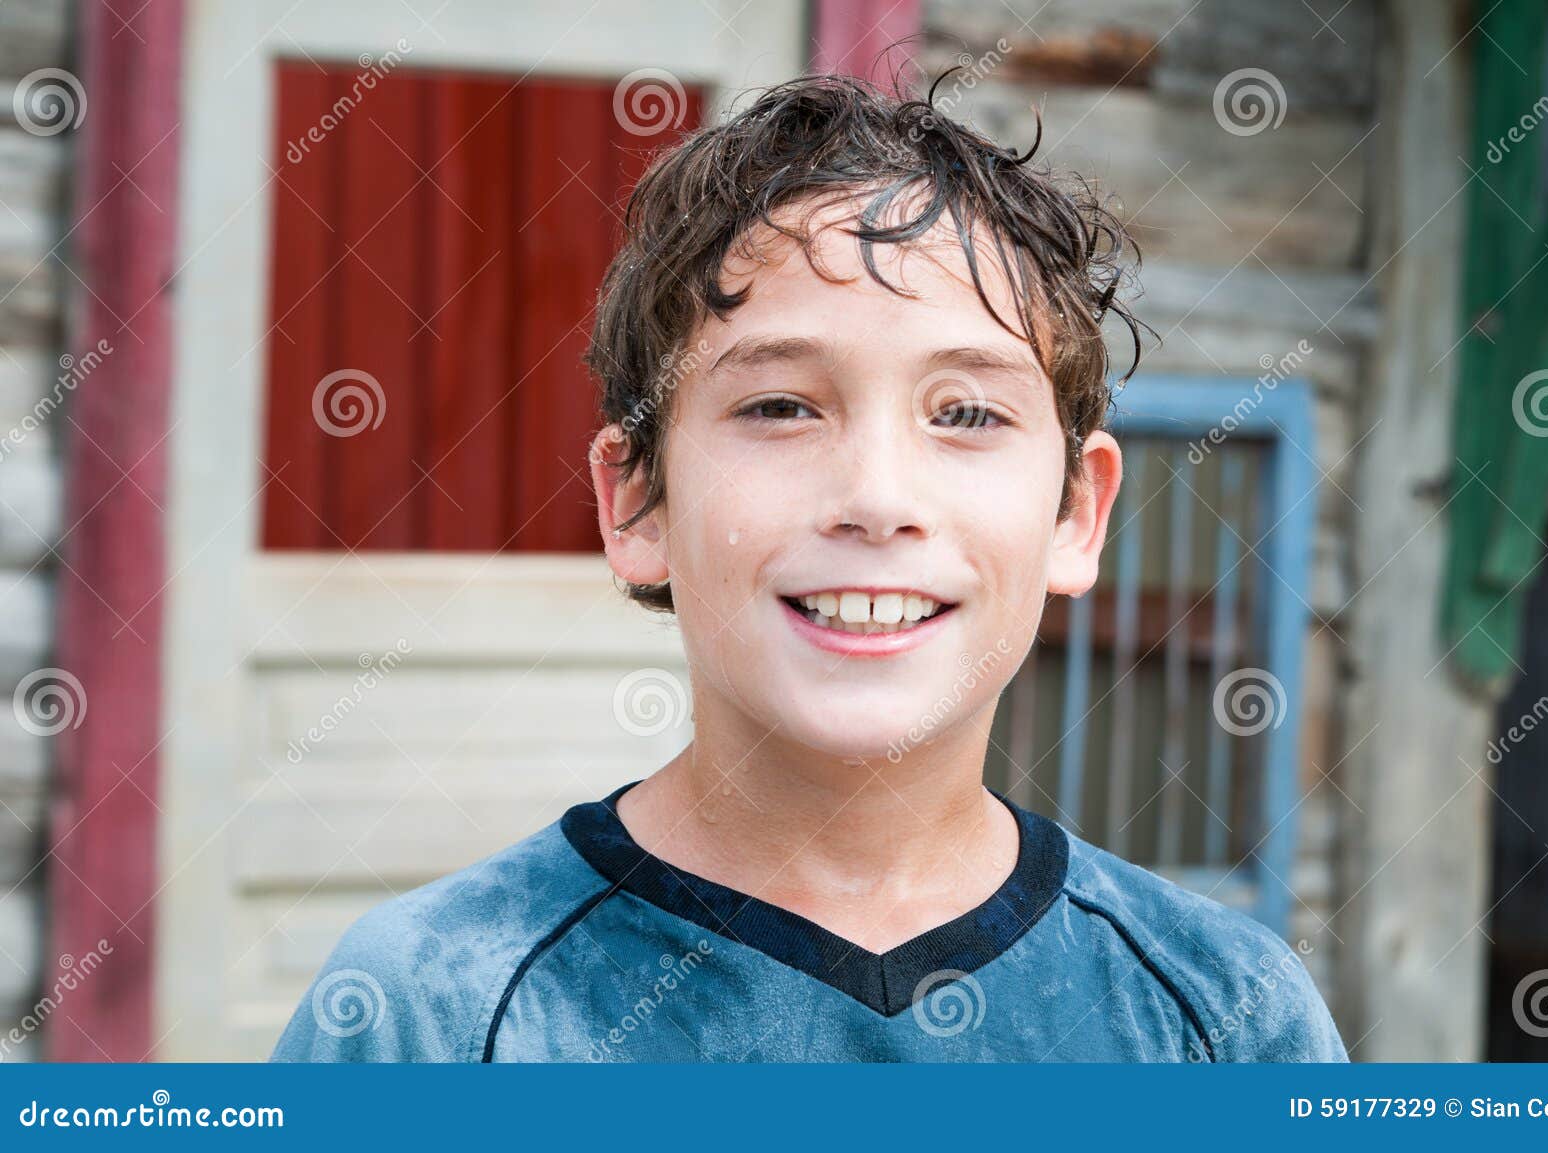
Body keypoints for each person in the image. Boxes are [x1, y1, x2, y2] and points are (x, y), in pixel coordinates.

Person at [272, 72, 1347, 1063]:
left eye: (966, 412)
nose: (877, 497)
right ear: (636, 500)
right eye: (779, 405)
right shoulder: (435, 1013)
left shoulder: (1225, 1020)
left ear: (1076, 510)